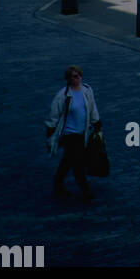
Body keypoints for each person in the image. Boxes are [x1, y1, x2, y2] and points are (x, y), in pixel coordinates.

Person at [46, 66, 100, 203]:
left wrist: (96, 122)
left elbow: (92, 107)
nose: (76, 78)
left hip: (83, 133)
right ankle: (86, 192)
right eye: (73, 77)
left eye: (78, 75)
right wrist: (51, 130)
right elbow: (54, 114)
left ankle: (58, 182)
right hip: (69, 135)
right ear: (68, 79)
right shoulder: (63, 95)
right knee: (78, 164)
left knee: (68, 160)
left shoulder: (87, 90)